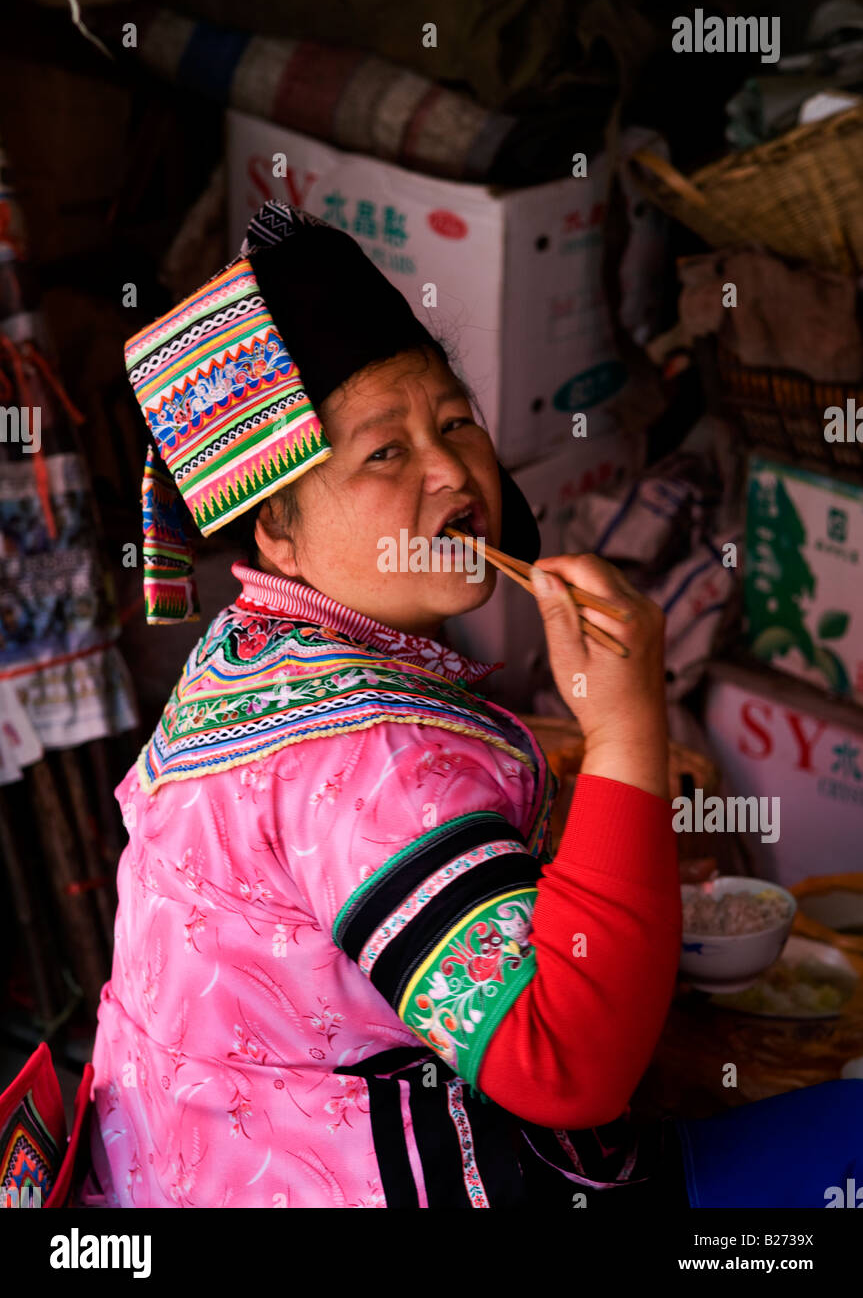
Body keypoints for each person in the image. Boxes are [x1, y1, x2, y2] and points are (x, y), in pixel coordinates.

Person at [83, 200, 861, 1210]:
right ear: (273, 531)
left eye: (453, 422)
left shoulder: (250, 654)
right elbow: (564, 1065)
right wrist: (626, 727)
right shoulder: (371, 749)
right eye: (384, 452)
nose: (452, 468)